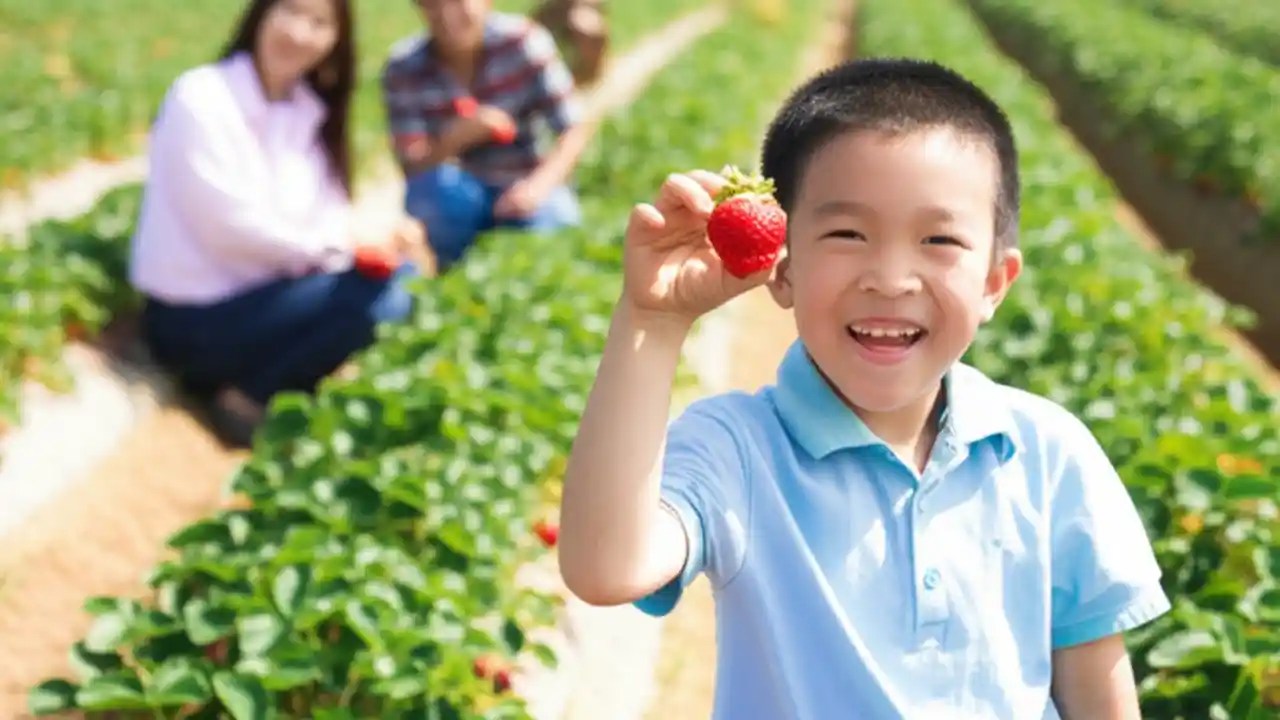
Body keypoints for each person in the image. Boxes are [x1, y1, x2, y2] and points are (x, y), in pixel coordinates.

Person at [557, 58, 1171, 719]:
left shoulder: (1048, 452)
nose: (890, 277)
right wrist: (653, 319)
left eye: (938, 238)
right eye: (848, 234)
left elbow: (1097, 692)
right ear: (782, 268)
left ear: (995, 282)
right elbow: (605, 568)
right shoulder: (736, 450)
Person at [129, 0, 423, 449]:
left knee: (400, 277)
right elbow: (231, 229)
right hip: (193, 319)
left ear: (335, 41)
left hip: (263, 305)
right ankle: (248, 397)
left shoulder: (305, 111)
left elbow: (326, 213)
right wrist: (345, 242)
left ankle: (274, 384)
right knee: (376, 293)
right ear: (260, 14)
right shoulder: (203, 98)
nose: (300, 33)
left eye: (320, 23)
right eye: (290, 11)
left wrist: (379, 236)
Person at [380, 0, 593, 273]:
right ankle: (449, 271)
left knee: (554, 235)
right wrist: (456, 137)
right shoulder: (404, 67)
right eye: (432, 4)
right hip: (458, 190)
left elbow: (573, 127)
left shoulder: (522, 42)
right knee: (431, 193)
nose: (447, 14)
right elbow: (411, 165)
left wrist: (537, 187)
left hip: (525, 178)